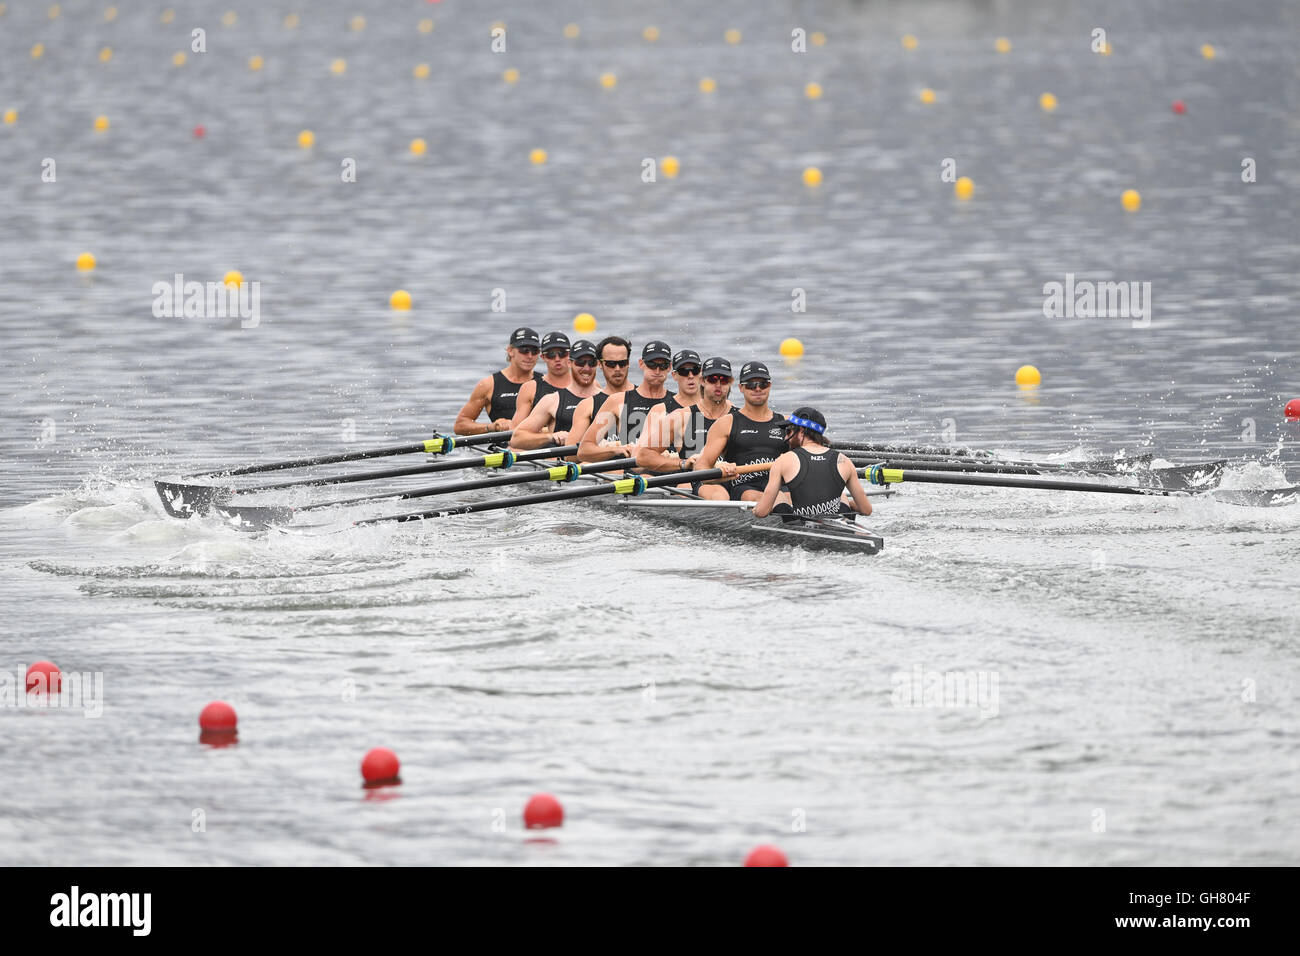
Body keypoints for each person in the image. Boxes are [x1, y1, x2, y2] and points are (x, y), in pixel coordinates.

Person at [753, 407, 873, 519]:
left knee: (779, 495)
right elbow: (866, 510)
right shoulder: (844, 461)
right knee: (842, 496)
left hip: (798, 526)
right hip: (836, 524)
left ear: (801, 431)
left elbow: (762, 512)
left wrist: (756, 510)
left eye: (788, 431)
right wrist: (850, 505)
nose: (785, 438)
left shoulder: (783, 460)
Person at [695, 360, 787, 501]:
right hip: (745, 486)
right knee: (763, 497)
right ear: (741, 388)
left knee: (789, 496)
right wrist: (722, 472)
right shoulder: (726, 423)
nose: (757, 389)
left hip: (780, 485)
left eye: (763, 384)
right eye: (751, 385)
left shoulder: (786, 423)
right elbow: (701, 467)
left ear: (769, 386)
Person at [577, 340, 675, 463]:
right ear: (641, 364)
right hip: (633, 473)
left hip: (670, 469)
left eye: (663, 365)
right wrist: (614, 450)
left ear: (670, 367)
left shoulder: (679, 403)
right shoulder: (617, 401)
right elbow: (584, 451)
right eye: (651, 364)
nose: (657, 370)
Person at [635, 353, 732, 476]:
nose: (690, 376)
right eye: (684, 372)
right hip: (685, 479)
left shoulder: (732, 412)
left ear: (701, 375)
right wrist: (681, 463)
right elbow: (639, 460)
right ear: (674, 375)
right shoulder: (663, 411)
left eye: (695, 371)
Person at [510, 339, 603, 450]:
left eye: (591, 363)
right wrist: (551, 437)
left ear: (598, 364)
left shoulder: (609, 399)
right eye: (580, 362)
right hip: (562, 463)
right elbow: (516, 439)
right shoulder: (552, 400)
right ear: (570, 363)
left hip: (598, 461)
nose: (586, 368)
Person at [453, 327, 542, 435]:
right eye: (524, 350)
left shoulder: (545, 382)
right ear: (510, 351)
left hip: (537, 444)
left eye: (535, 351)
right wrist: (491, 427)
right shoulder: (488, 385)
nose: (530, 356)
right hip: (504, 446)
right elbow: (460, 425)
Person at [563, 335, 634, 456]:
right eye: (611, 364)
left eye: (622, 363)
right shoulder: (587, 406)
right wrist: (609, 450)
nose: (617, 369)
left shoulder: (646, 398)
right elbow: (570, 457)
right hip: (605, 473)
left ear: (628, 363)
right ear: (600, 364)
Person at [512, 331, 573, 425]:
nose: (557, 359)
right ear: (543, 357)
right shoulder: (530, 388)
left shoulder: (591, 385)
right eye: (551, 355)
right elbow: (515, 433)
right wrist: (549, 434)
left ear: (570, 355)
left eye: (562, 353)